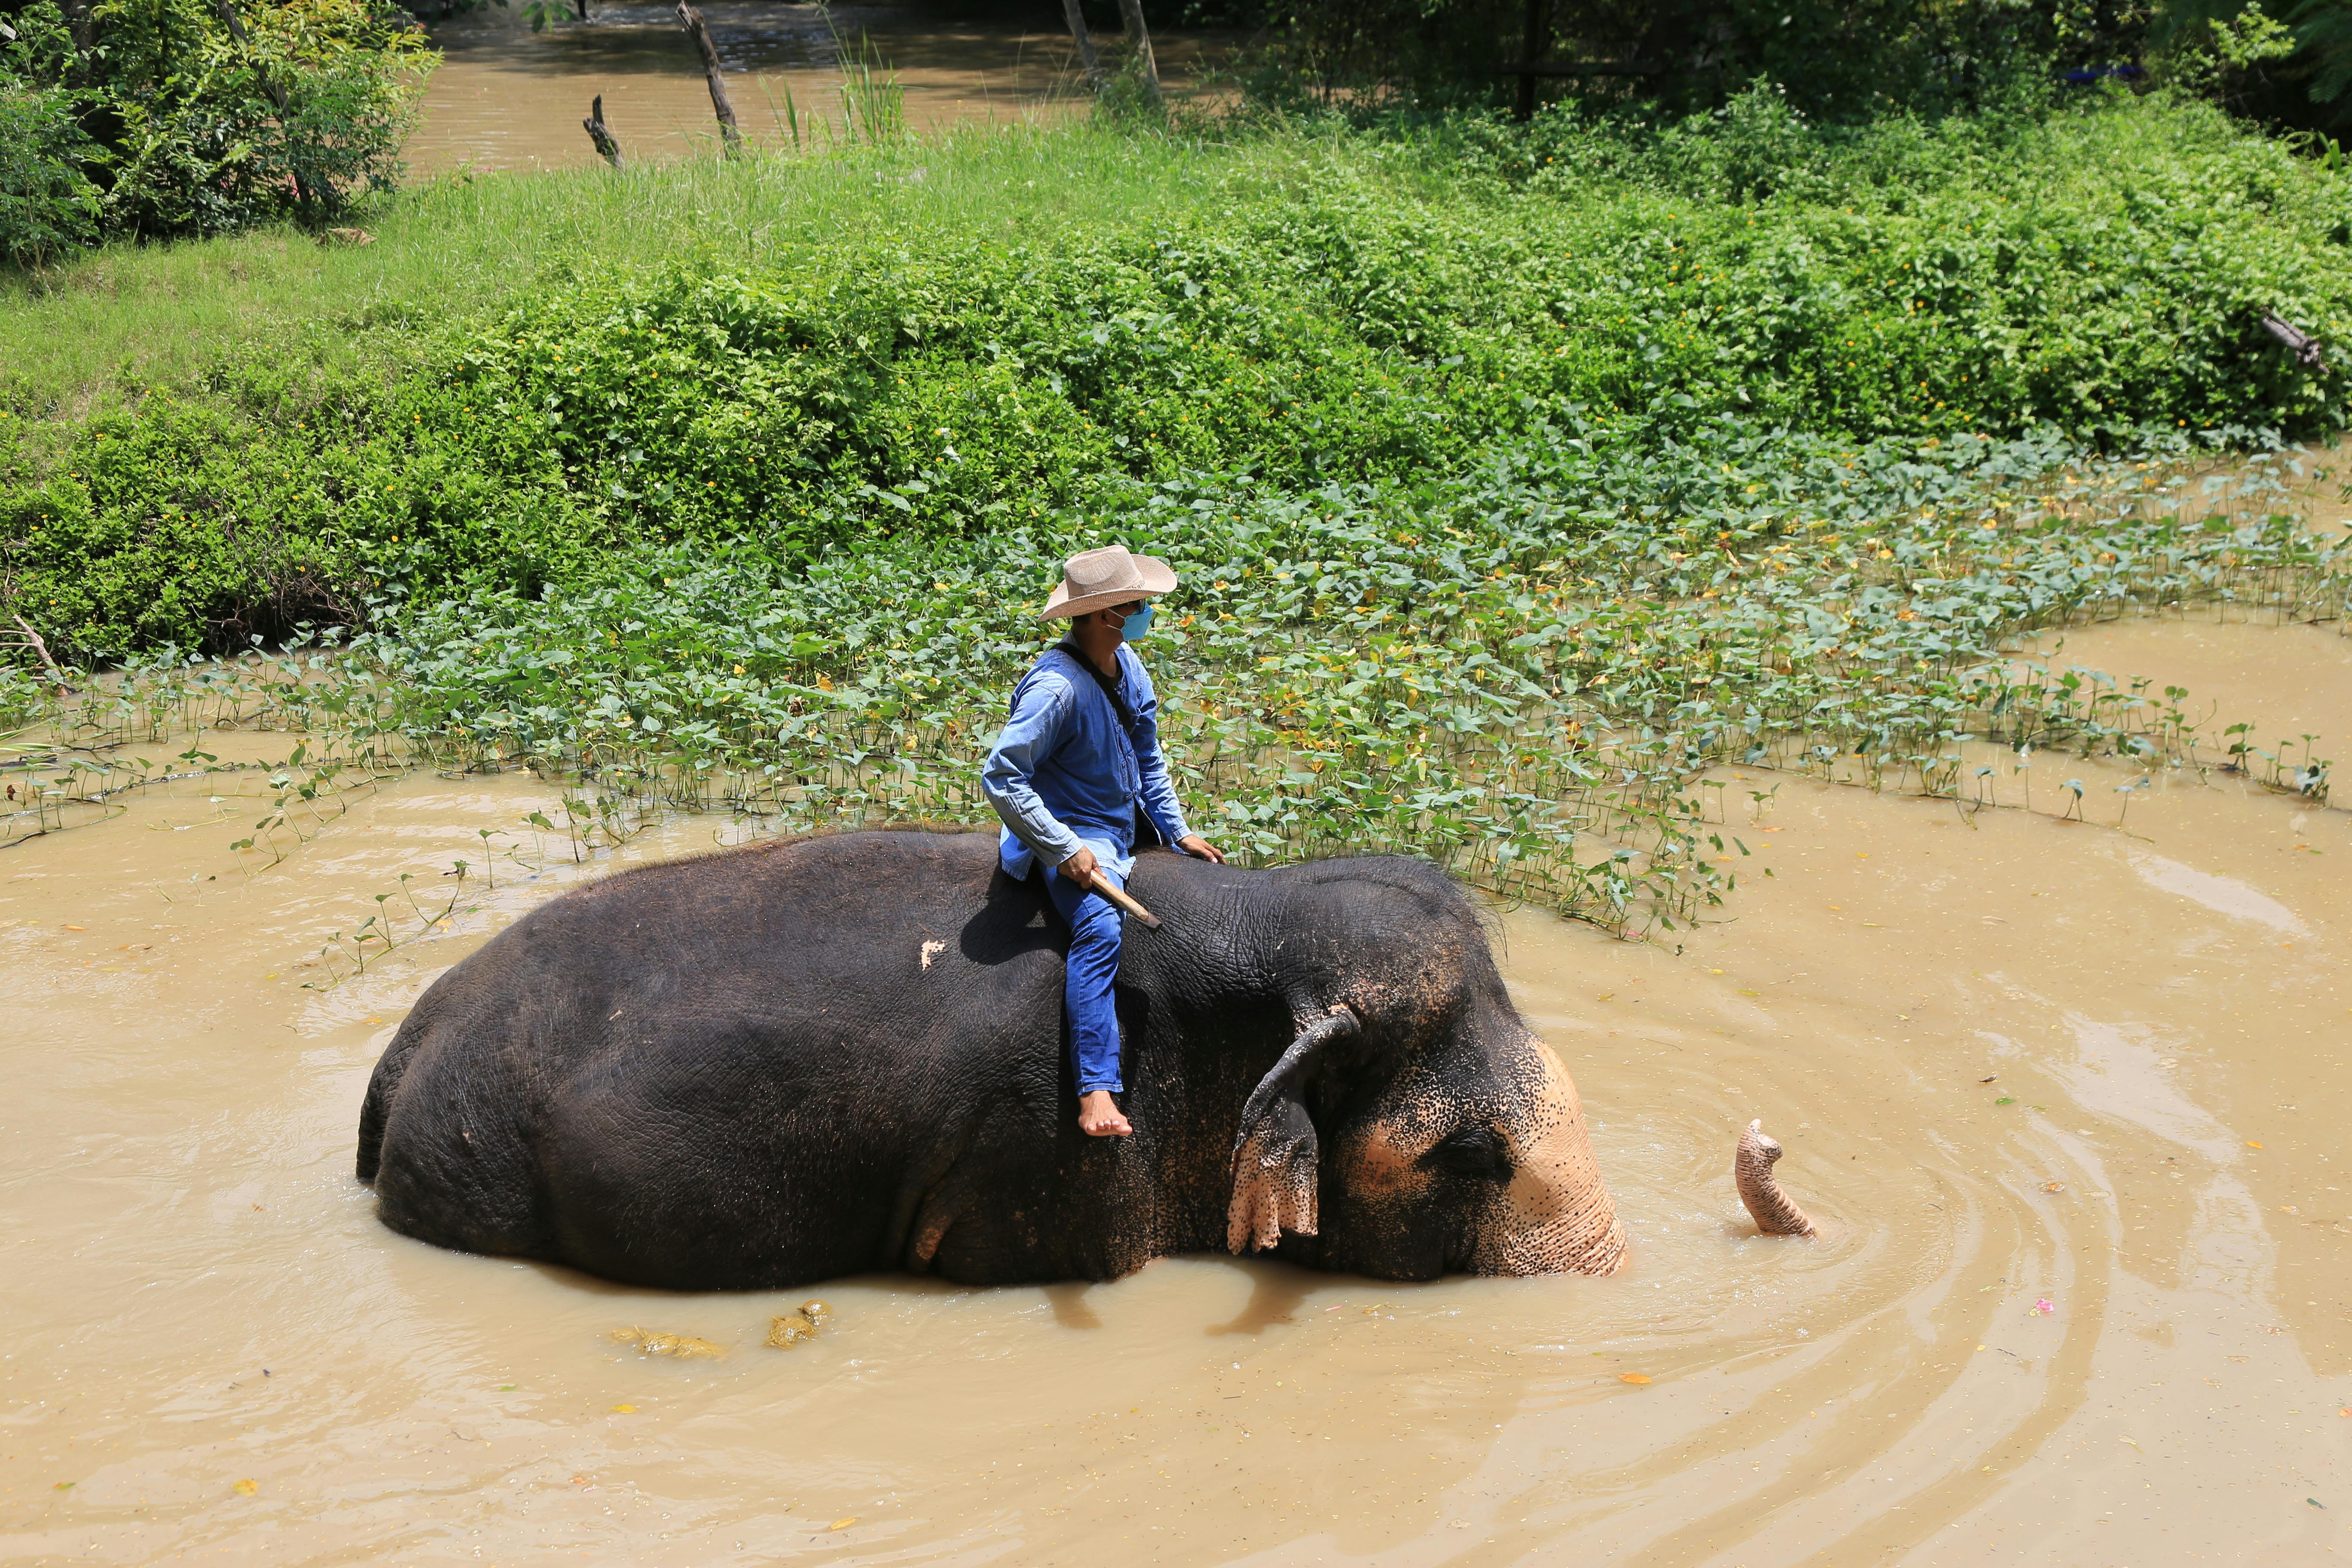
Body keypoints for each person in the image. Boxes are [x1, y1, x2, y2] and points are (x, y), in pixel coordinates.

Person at [982, 544, 1225, 1138]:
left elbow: (1149, 758)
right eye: (1136, 604)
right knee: (1100, 928)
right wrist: (1062, 848)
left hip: (1124, 822)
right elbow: (1001, 775)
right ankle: (1095, 1089)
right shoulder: (1057, 689)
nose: (1146, 612)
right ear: (1100, 615)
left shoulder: (1130, 665)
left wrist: (1179, 830)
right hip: (1076, 832)